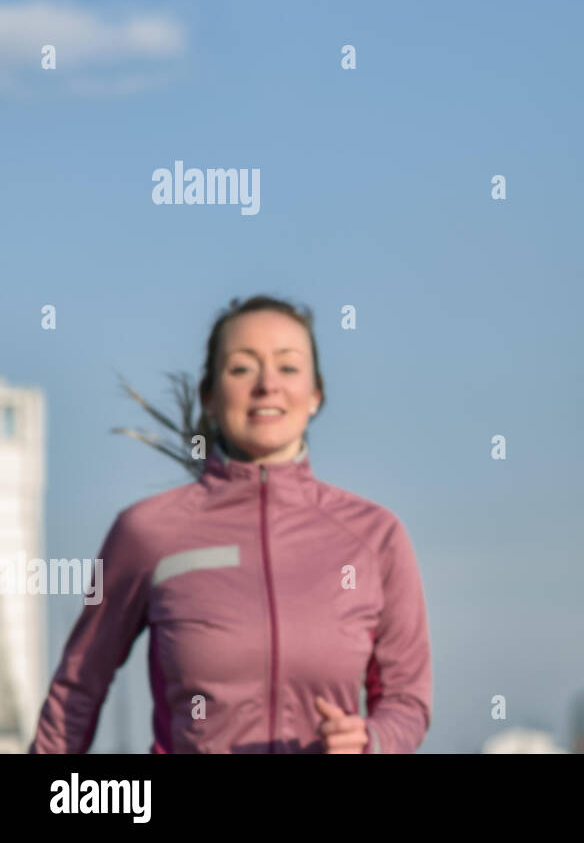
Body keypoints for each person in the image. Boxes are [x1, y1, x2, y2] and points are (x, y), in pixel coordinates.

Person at [30, 296, 432, 753]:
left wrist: (371, 740)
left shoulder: (376, 537)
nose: (267, 386)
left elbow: (406, 698)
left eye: (288, 367)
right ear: (210, 396)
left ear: (316, 393)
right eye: (241, 368)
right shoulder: (146, 533)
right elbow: (79, 687)